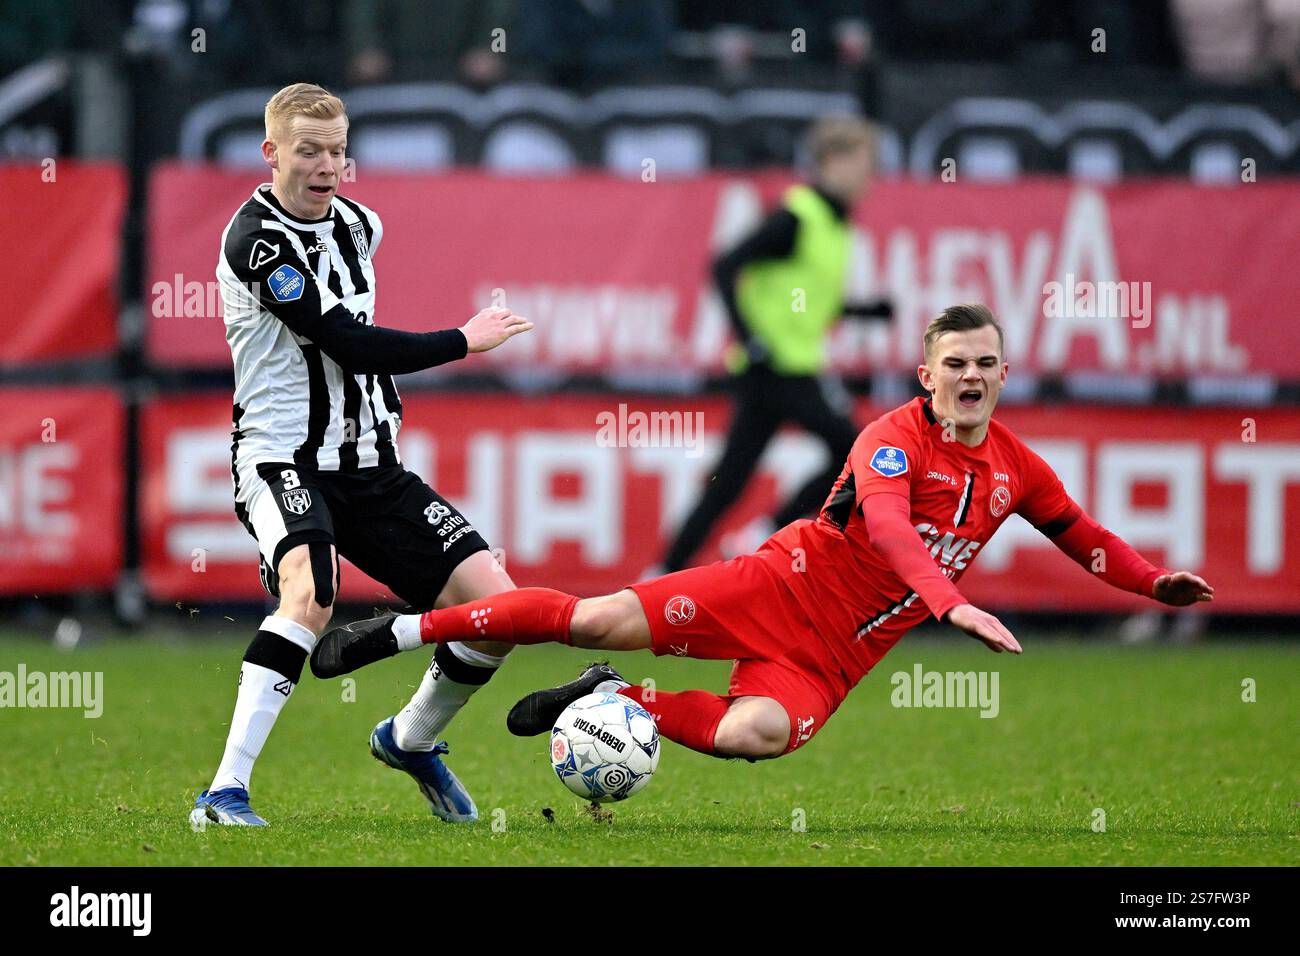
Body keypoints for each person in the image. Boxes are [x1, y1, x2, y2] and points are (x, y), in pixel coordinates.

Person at [311, 304, 1214, 761]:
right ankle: (397, 630)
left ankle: (615, 702)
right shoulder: (890, 441)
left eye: (985, 364)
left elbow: (1085, 537)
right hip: (775, 586)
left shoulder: (1018, 466)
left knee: (758, 737)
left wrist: (1150, 582)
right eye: (955, 365)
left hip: (833, 658)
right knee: (588, 616)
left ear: (1005, 372)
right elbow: (896, 536)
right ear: (925, 371)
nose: (970, 377)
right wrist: (951, 603)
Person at [190, 83, 533, 828]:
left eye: (338, 150)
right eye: (308, 150)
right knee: (311, 595)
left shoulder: (360, 225)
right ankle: (223, 793)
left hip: (373, 463)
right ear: (271, 153)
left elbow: (359, 350)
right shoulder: (256, 242)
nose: (326, 165)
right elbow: (348, 341)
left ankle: (410, 740)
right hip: (283, 459)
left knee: (497, 615)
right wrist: (461, 341)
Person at [660, 115, 892, 573]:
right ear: (833, 161)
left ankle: (661, 573)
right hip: (778, 367)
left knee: (728, 482)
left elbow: (803, 302)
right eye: (865, 164)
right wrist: (753, 339)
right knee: (858, 454)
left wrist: (862, 311)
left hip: (786, 367)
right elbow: (725, 265)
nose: (872, 177)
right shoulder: (796, 216)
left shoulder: (835, 225)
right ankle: (766, 532)